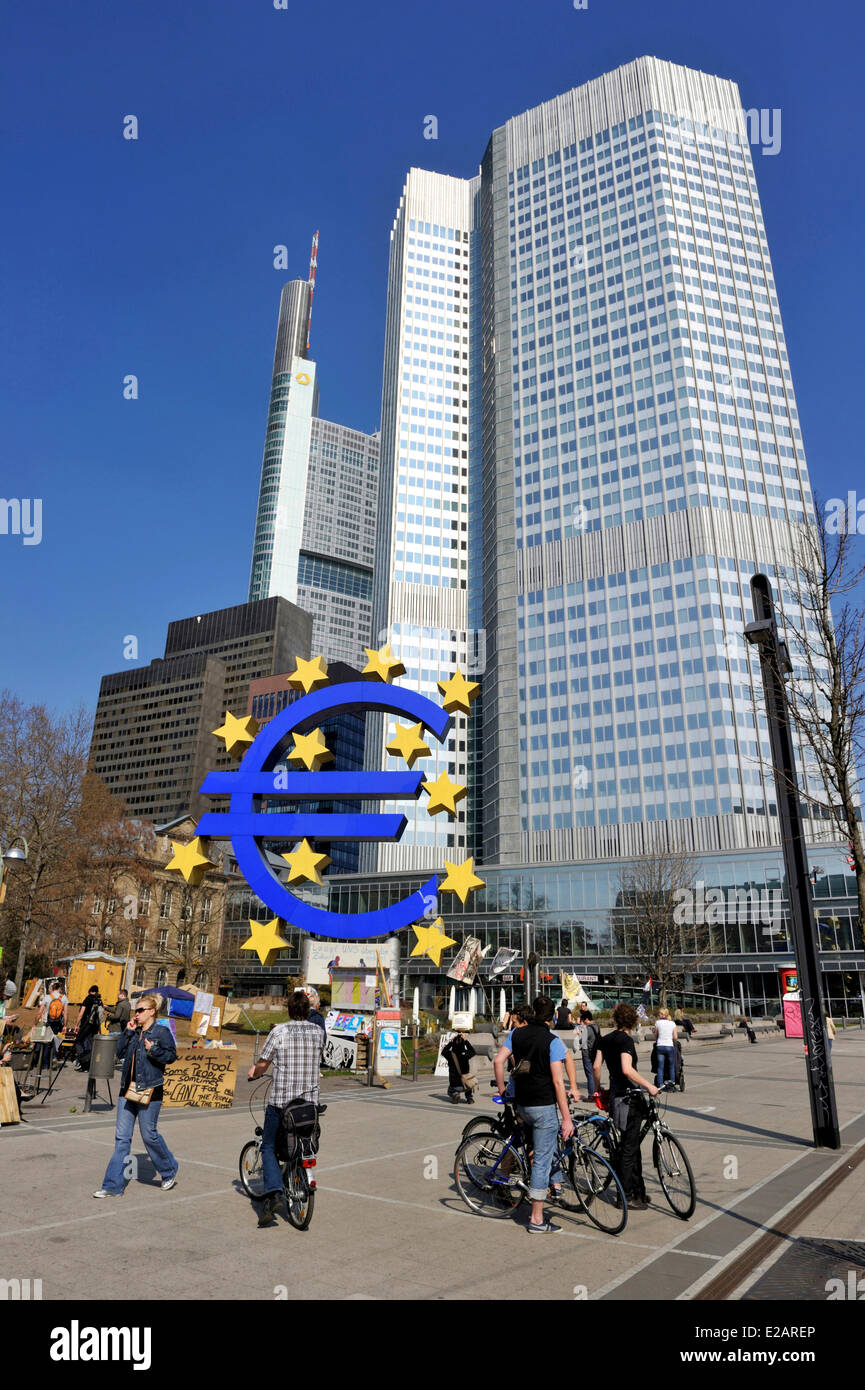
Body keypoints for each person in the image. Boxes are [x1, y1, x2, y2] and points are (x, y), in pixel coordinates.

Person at [493, 995, 575, 1234]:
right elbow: (559, 1083)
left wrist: (502, 1089)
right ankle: (537, 1220)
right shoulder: (553, 1041)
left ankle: (522, 1180)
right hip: (543, 1105)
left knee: (530, 1148)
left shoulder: (517, 1034)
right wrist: (566, 1118)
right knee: (541, 1160)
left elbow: (499, 1060)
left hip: (521, 1104)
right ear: (553, 1017)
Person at [247, 990, 325, 1227]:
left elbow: (263, 1063)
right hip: (309, 1103)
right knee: (300, 1142)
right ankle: (298, 1176)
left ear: (290, 1010)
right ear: (308, 1010)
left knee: (269, 1146)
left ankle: (274, 1193)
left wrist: (254, 1072)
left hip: (282, 1102)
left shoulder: (279, 1031)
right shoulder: (318, 1032)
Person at [93, 994, 179, 1198]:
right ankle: (113, 1186)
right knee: (122, 1138)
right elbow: (120, 1053)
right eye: (136, 1010)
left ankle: (168, 1170)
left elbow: (171, 1056)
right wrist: (128, 1032)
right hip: (127, 1090)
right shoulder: (134, 1031)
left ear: (151, 1011)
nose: (136, 1014)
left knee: (149, 1135)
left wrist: (154, 1049)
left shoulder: (161, 1032)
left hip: (150, 1090)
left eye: (140, 1010)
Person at [594, 1001, 658, 1211]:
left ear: (616, 1019)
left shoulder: (605, 1039)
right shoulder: (626, 1041)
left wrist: (598, 1088)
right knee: (629, 1150)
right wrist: (649, 1085)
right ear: (634, 1021)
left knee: (631, 1145)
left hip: (615, 1098)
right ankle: (626, 1196)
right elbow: (627, 1069)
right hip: (629, 1099)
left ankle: (639, 1192)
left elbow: (596, 1066)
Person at [72, 986, 103, 1071]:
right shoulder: (99, 1001)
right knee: (90, 1045)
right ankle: (89, 1065)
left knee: (78, 1042)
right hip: (94, 1027)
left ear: (90, 991)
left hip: (86, 1025)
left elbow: (81, 1013)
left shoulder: (88, 999)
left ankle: (83, 1062)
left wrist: (76, 1025)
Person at [442, 1030, 476, 1103]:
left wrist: (451, 1041)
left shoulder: (450, 1054)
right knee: (468, 1082)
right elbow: (473, 1051)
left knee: (450, 1090)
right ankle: (469, 1098)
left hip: (455, 1085)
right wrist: (466, 1040)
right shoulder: (465, 1053)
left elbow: (443, 1051)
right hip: (466, 1084)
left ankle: (455, 1094)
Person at [574, 1009, 601, 1099]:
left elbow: (582, 1041)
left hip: (587, 1053)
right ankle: (597, 1092)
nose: (582, 1022)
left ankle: (591, 1095)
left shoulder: (587, 1029)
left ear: (586, 1019)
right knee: (595, 1073)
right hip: (595, 1052)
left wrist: (579, 1034)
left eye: (583, 1020)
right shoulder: (597, 1027)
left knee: (589, 1074)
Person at [653, 1008, 678, 1087]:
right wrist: (673, 1043)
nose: (658, 1015)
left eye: (660, 1013)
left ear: (664, 1014)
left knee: (660, 1067)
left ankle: (660, 1085)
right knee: (671, 1067)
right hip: (669, 1046)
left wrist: (657, 1040)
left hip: (660, 1046)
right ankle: (671, 1086)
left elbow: (656, 1035)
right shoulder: (672, 1023)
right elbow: (675, 1037)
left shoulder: (657, 1023)